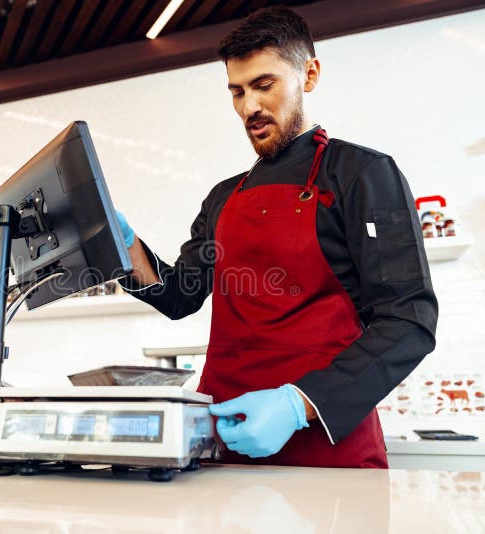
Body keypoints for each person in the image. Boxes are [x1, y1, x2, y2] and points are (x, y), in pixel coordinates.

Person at [116, 6, 438, 468]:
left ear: (309, 75)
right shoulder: (223, 197)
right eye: (237, 92)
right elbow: (178, 295)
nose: (249, 107)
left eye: (264, 85)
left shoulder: (363, 174)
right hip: (224, 445)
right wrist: (120, 242)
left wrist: (295, 404)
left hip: (327, 451)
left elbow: (408, 321)